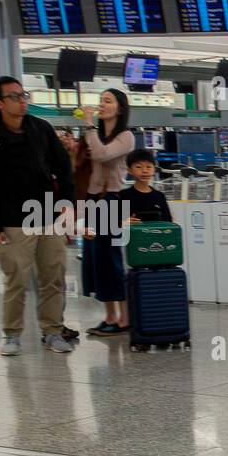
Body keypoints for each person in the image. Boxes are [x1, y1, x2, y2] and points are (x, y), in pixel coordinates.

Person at [0, 77, 76, 356]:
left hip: (47, 215)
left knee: (53, 277)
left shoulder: (40, 129)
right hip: (12, 221)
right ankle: (12, 334)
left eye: (24, 95)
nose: (23, 101)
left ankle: (52, 331)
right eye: (15, 96)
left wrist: (66, 203)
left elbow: (63, 168)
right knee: (16, 279)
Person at [78, 88, 135, 337]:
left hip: (112, 199)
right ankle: (109, 315)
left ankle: (125, 318)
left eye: (108, 101)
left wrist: (89, 126)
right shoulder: (96, 135)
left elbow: (102, 155)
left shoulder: (126, 137)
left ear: (119, 108)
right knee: (95, 258)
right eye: (101, 100)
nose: (102, 104)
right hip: (93, 199)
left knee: (111, 258)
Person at [118, 148, 174, 226]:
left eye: (148, 167)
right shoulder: (123, 195)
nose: (144, 170)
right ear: (129, 170)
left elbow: (168, 223)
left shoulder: (159, 196)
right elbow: (113, 225)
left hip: (157, 237)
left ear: (154, 170)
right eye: (138, 167)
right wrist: (123, 223)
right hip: (133, 237)